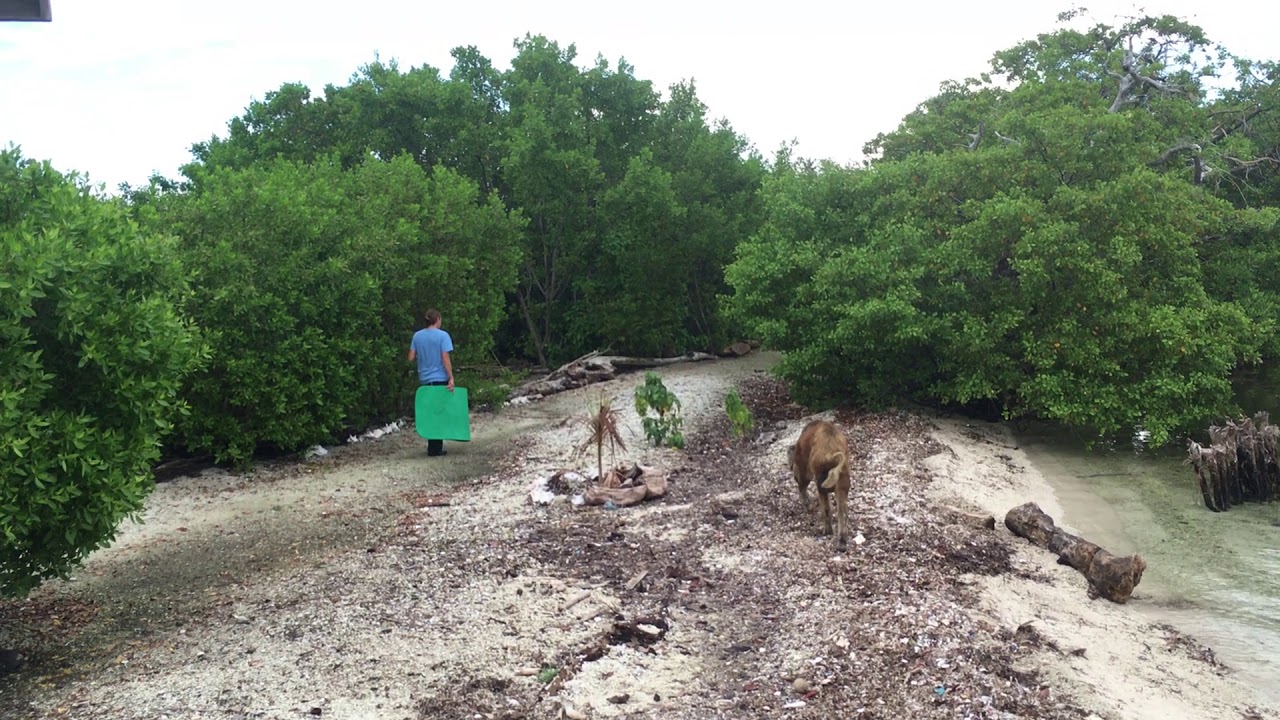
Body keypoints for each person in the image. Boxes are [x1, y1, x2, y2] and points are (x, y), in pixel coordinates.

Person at [408, 308, 455, 457]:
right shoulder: (443, 336)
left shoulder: (417, 336)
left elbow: (410, 357)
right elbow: (445, 357)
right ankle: (436, 449)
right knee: (439, 412)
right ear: (438, 319)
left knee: (430, 412)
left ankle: (432, 446)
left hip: (425, 380)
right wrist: (451, 377)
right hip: (440, 378)